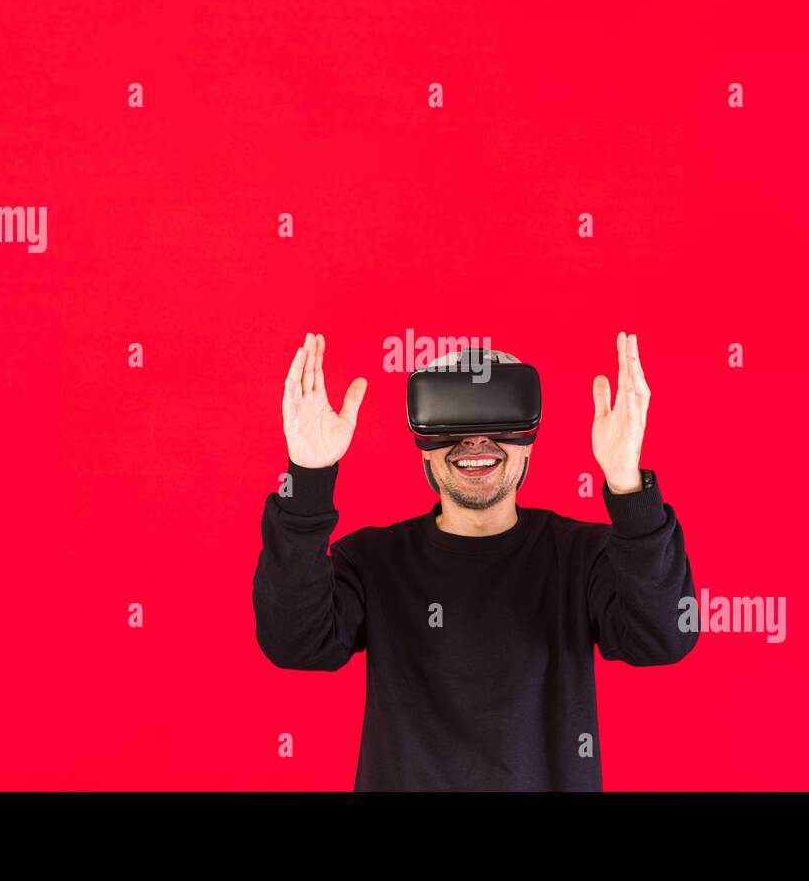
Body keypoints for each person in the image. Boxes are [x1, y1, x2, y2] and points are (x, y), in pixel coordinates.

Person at [253, 331, 698, 790]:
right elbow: (294, 641)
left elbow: (662, 639)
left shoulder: (583, 556)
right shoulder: (373, 561)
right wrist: (308, 477)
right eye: (453, 422)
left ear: (530, 441)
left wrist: (627, 484)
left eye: (499, 419)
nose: (475, 441)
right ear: (422, 443)